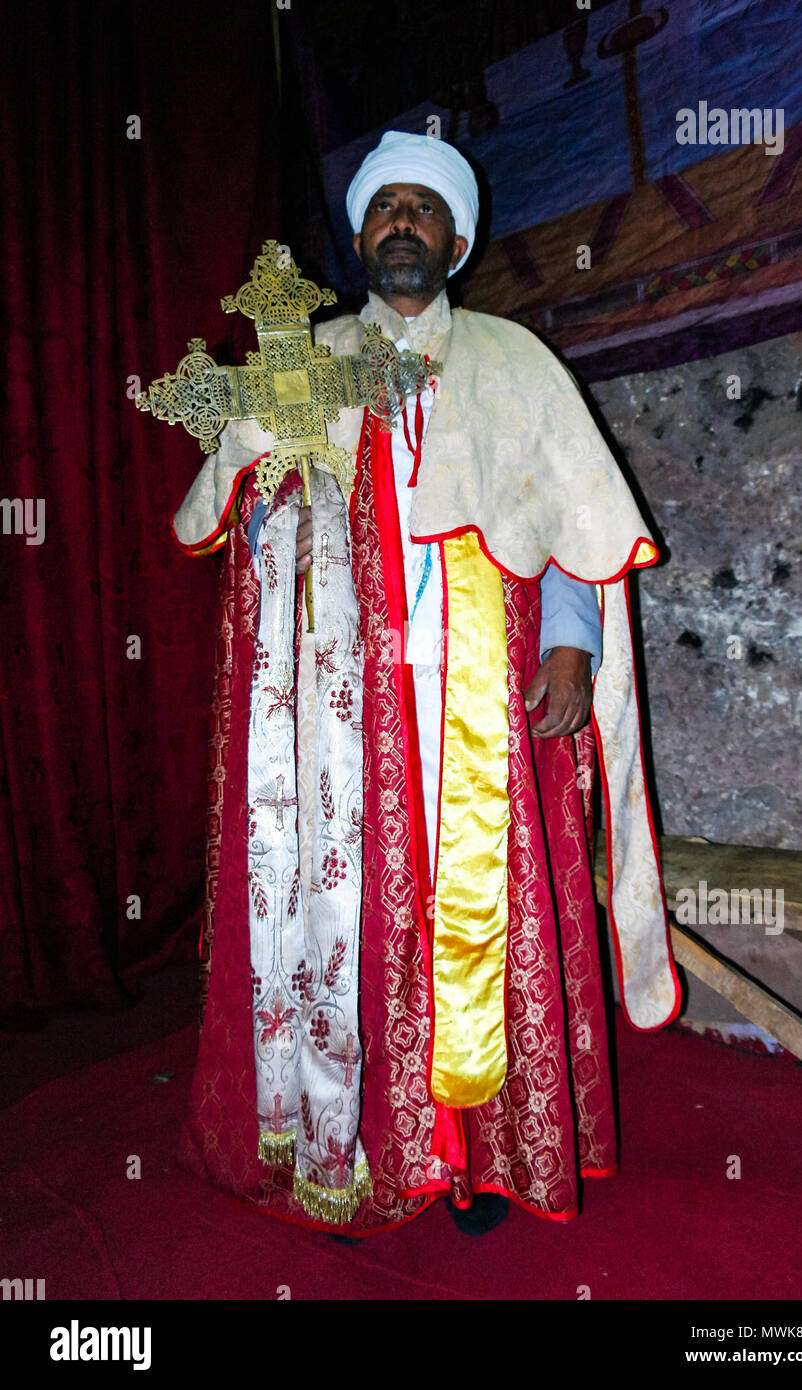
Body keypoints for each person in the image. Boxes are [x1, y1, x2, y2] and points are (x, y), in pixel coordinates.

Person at [173, 130, 680, 1238]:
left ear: (457, 236)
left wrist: (572, 641)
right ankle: (348, 1138)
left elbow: (570, 534)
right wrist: (277, 506)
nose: (404, 224)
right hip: (343, 717)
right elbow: (238, 519)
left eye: (425, 209)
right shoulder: (303, 361)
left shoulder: (515, 362)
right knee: (346, 918)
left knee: (481, 926)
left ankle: (476, 1154)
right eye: (384, 209)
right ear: (360, 237)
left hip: (484, 704)